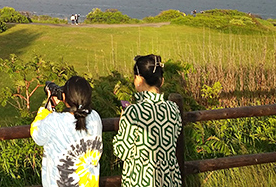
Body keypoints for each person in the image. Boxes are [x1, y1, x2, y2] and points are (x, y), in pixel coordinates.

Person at [113, 54, 182, 187]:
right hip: (170, 180)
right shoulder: (173, 109)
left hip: (141, 180)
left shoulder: (134, 112)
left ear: (139, 80)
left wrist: (123, 121)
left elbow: (122, 151)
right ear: (161, 81)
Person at [31, 76, 103, 187]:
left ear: (64, 96)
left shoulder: (55, 121)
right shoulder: (95, 117)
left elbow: (37, 134)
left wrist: (47, 108)